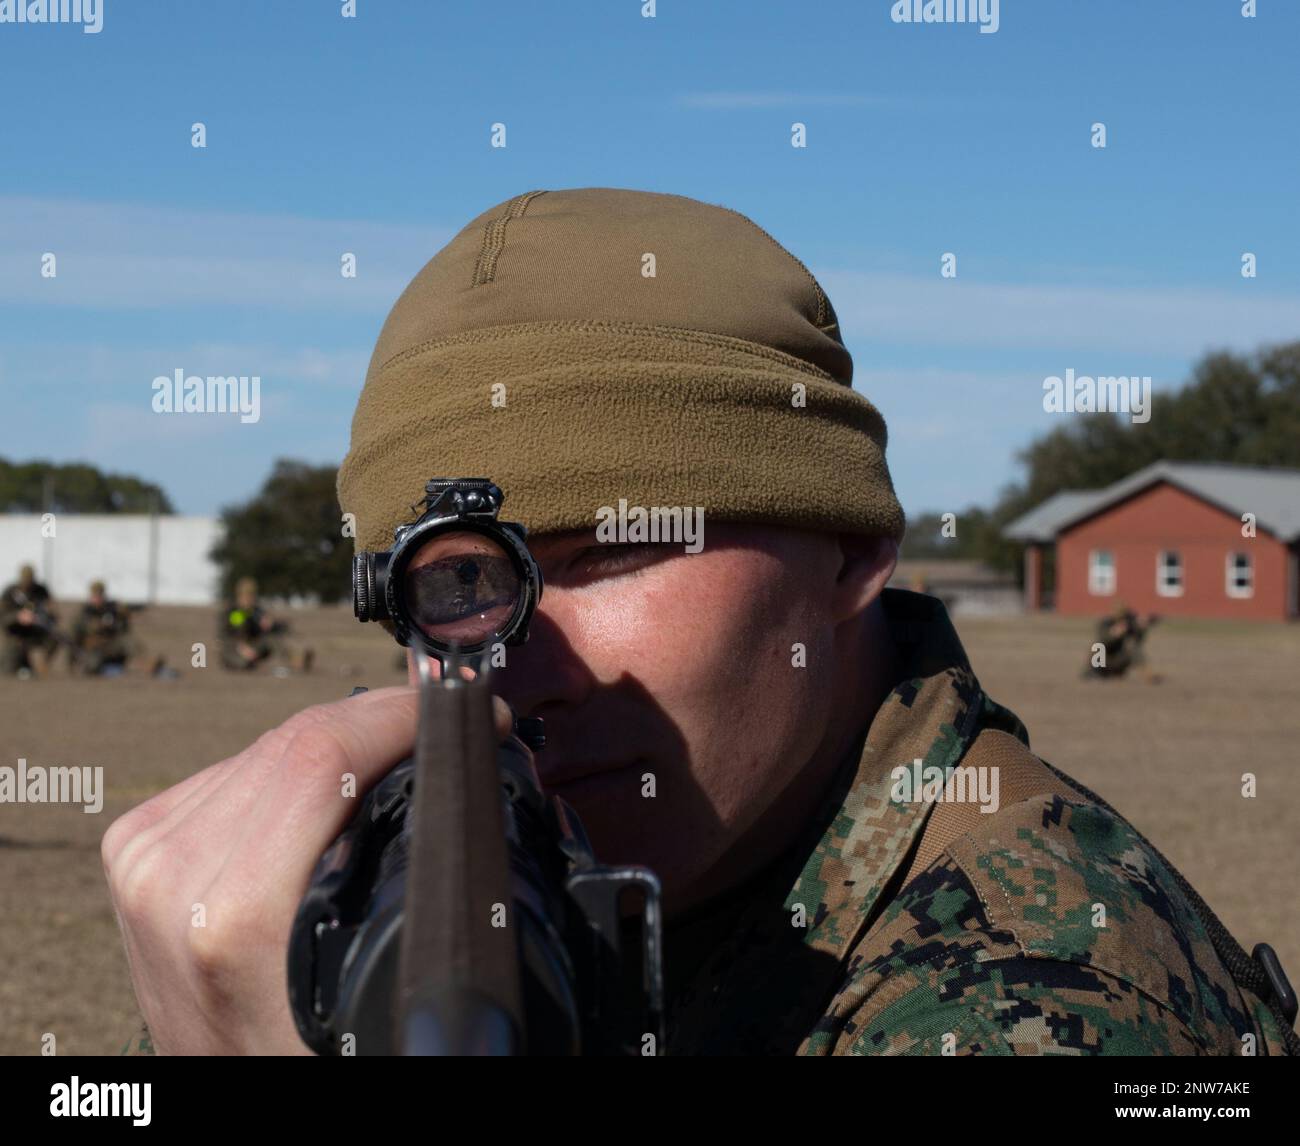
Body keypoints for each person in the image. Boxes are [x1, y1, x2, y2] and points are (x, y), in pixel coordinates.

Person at [105, 188, 1295, 1056]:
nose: (523, 672)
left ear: (853, 553)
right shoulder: (639, 874)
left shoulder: (1032, 996)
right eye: (461, 585)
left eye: (613, 547)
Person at [218, 576, 313, 674]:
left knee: (273, 639)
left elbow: (273, 627)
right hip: (234, 649)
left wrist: (270, 624)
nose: (249, 599)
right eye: (247, 595)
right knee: (244, 663)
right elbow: (230, 636)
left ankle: (296, 659)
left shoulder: (255, 610)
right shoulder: (234, 612)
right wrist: (243, 648)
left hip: (253, 646)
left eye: (251, 595)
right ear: (240, 595)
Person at [1, 563, 61, 678]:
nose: (27, 582)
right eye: (25, 579)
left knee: (56, 637)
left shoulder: (41, 591)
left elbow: (52, 613)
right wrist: (18, 617)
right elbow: (3, 617)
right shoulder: (10, 592)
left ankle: (41, 663)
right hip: (16, 636)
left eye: (29, 579)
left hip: (36, 633)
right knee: (8, 670)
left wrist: (41, 617)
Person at [1085, 601, 1161, 682]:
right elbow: (1102, 639)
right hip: (1105, 662)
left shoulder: (1130, 623)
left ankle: (1147, 675)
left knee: (1132, 646)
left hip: (1120, 660)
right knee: (1097, 646)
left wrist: (1141, 628)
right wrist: (1113, 634)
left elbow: (1138, 641)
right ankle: (1092, 672)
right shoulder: (1106, 623)